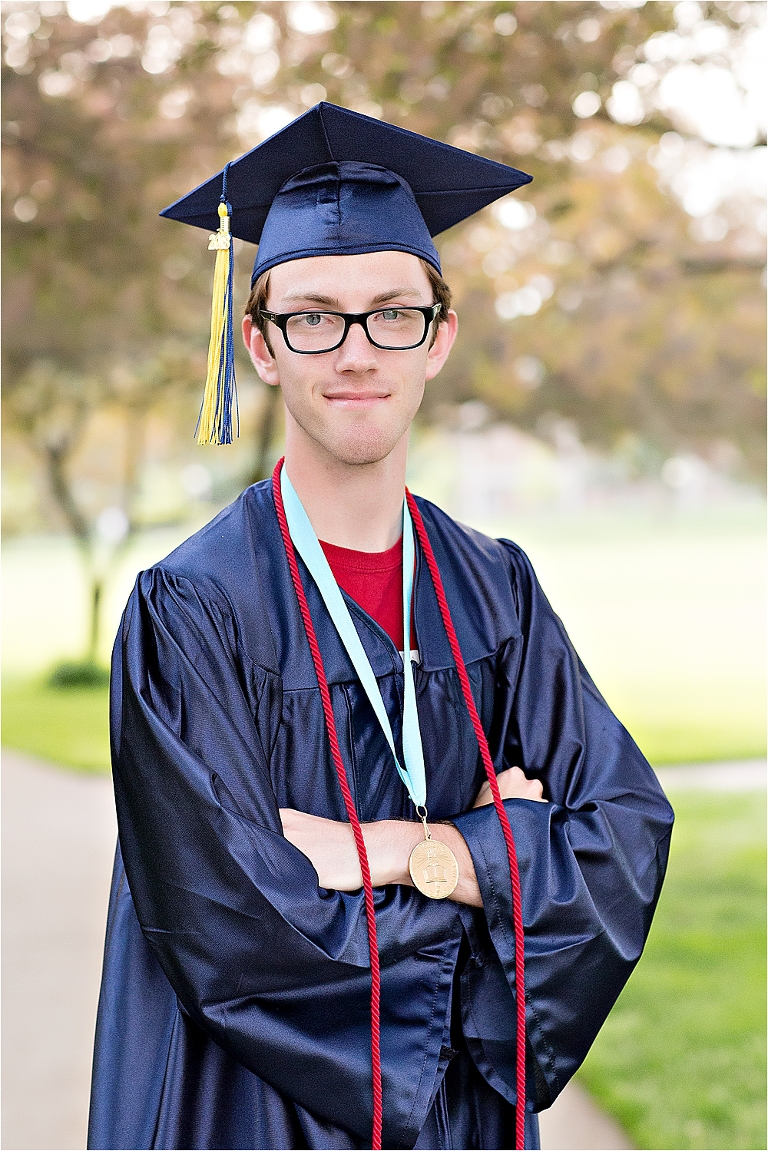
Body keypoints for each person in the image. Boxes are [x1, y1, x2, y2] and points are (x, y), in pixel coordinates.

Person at [88, 103, 674, 1151]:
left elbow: (623, 835)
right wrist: (502, 863)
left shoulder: (498, 592)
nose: (356, 351)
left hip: (459, 1117)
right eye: (313, 317)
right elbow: (234, 928)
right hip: (247, 1112)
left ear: (438, 338)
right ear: (260, 345)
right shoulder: (189, 611)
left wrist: (399, 851)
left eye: (392, 313)